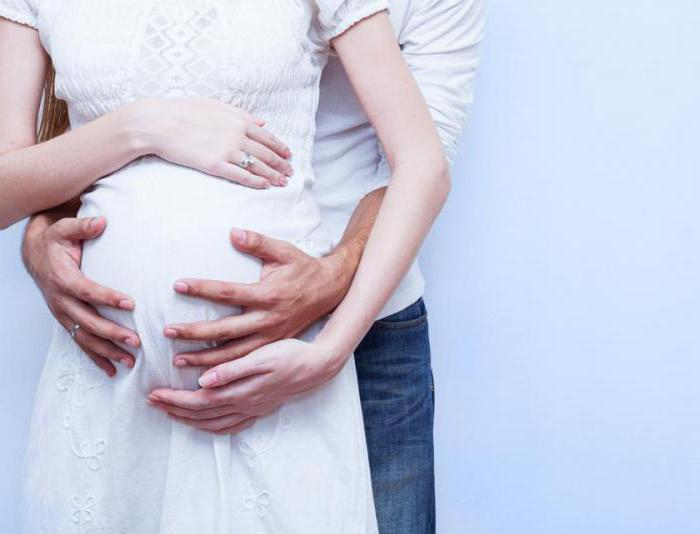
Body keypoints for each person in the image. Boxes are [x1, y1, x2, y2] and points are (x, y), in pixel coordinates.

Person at [18, 0, 485, 532]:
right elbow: (87, 109)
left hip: (364, 318)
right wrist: (40, 234)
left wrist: (332, 291)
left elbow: (423, 156)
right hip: (125, 360)